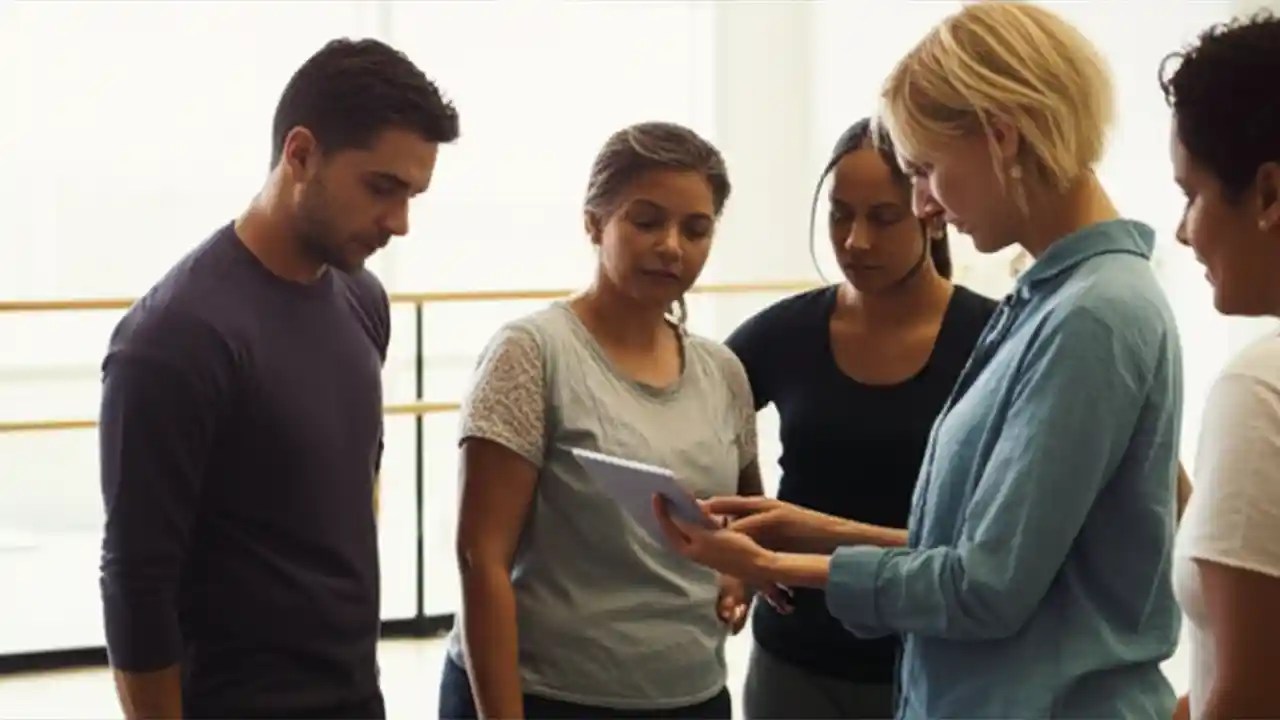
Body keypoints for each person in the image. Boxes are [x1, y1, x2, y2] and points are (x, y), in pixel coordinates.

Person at [653, 4, 1185, 719]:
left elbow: (983, 587)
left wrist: (774, 567)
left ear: (999, 137)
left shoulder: (1091, 316)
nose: (928, 204)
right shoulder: (1050, 304)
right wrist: (803, 528)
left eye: (927, 171)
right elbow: (990, 550)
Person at [97, 38, 459, 719]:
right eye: (381, 188)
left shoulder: (363, 300)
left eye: (412, 195)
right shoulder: (174, 339)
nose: (400, 222)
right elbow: (136, 581)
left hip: (355, 697)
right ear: (300, 154)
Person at [438, 121, 761, 720]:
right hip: (546, 697)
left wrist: (735, 579)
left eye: (696, 229)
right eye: (646, 222)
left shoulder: (723, 371)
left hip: (691, 696)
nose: (672, 246)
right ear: (594, 223)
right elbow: (479, 556)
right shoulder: (532, 353)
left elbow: (741, 523)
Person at [723, 117, 997, 719]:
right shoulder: (786, 333)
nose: (856, 241)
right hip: (793, 665)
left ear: (930, 211)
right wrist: (745, 533)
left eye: (882, 217)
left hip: (936, 666)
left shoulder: (993, 338)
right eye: (841, 214)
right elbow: (697, 416)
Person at [1162, 11, 1280, 720]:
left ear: (1268, 194)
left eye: (1191, 195)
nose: (1184, 231)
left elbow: (1250, 698)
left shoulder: (1258, 388)